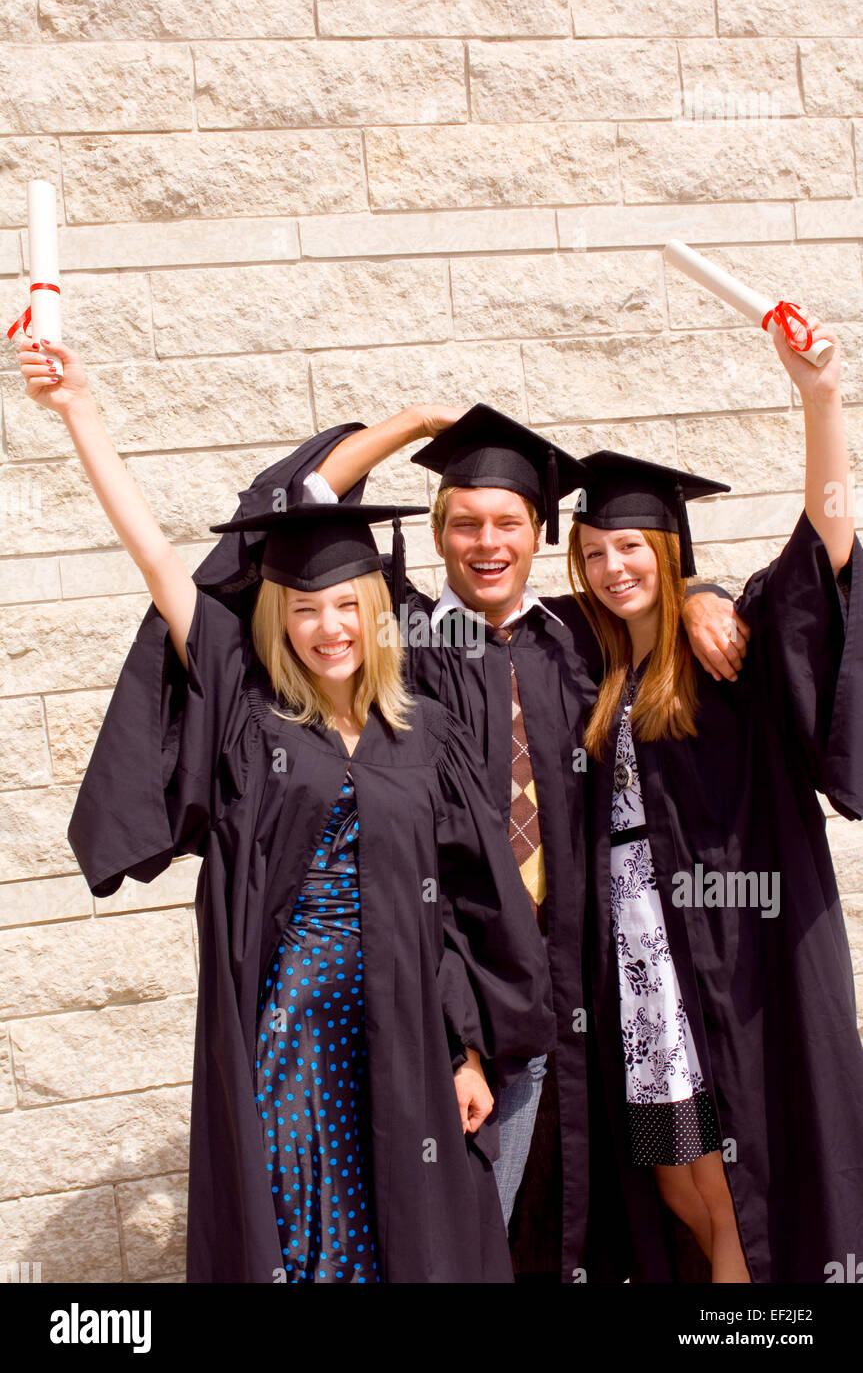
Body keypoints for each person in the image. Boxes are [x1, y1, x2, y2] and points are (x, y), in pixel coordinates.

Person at [16, 338, 555, 1283]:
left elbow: (472, 911)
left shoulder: (423, 734)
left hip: (405, 1021)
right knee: (309, 1232)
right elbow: (157, 557)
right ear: (277, 620)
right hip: (291, 1022)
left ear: (376, 613)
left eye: (347, 606)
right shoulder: (247, 710)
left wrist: (470, 1051)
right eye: (304, 610)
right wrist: (80, 412)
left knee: (419, 1235)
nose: (328, 627)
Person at [286, 403, 746, 1281]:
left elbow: (647, 585)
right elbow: (306, 508)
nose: (485, 542)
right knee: (465, 1199)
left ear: (540, 532)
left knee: (619, 1185)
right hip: (456, 969)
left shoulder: (580, 633)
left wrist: (700, 594)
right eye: (464, 523)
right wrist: (409, 424)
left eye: (507, 522)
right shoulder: (401, 638)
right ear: (439, 534)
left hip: (592, 972)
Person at [568, 313, 863, 1282]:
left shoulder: (727, 643)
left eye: (632, 548)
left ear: (666, 544)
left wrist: (818, 396)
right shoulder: (588, 664)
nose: (615, 568)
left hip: (730, 951)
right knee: (672, 1172)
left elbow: (823, 548)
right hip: (638, 965)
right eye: (594, 552)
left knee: (740, 1176)